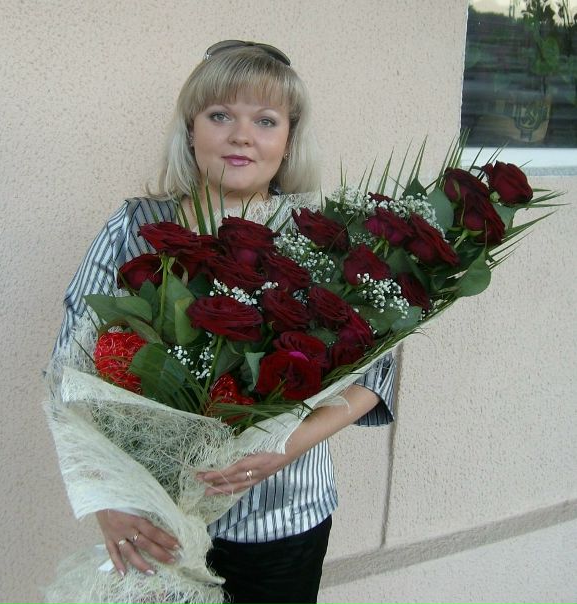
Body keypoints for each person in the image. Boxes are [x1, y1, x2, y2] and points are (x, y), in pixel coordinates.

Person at [53, 40, 396, 604]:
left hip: (284, 520)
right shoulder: (134, 227)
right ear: (191, 130)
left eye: (265, 120)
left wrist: (284, 447)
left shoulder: (321, 236)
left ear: (288, 140)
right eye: (220, 115)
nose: (242, 136)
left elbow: (375, 374)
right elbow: (68, 370)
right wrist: (107, 501)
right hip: (157, 521)